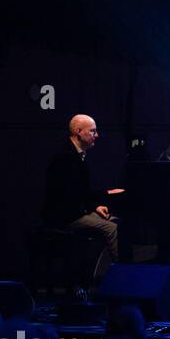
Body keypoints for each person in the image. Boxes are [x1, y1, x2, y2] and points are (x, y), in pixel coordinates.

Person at [42, 114, 119, 279]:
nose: (96, 135)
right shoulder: (65, 158)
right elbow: (69, 195)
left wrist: (95, 207)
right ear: (78, 132)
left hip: (73, 211)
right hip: (64, 216)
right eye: (92, 131)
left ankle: (101, 273)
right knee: (111, 228)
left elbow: (79, 192)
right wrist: (104, 195)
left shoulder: (77, 155)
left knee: (112, 220)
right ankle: (120, 275)